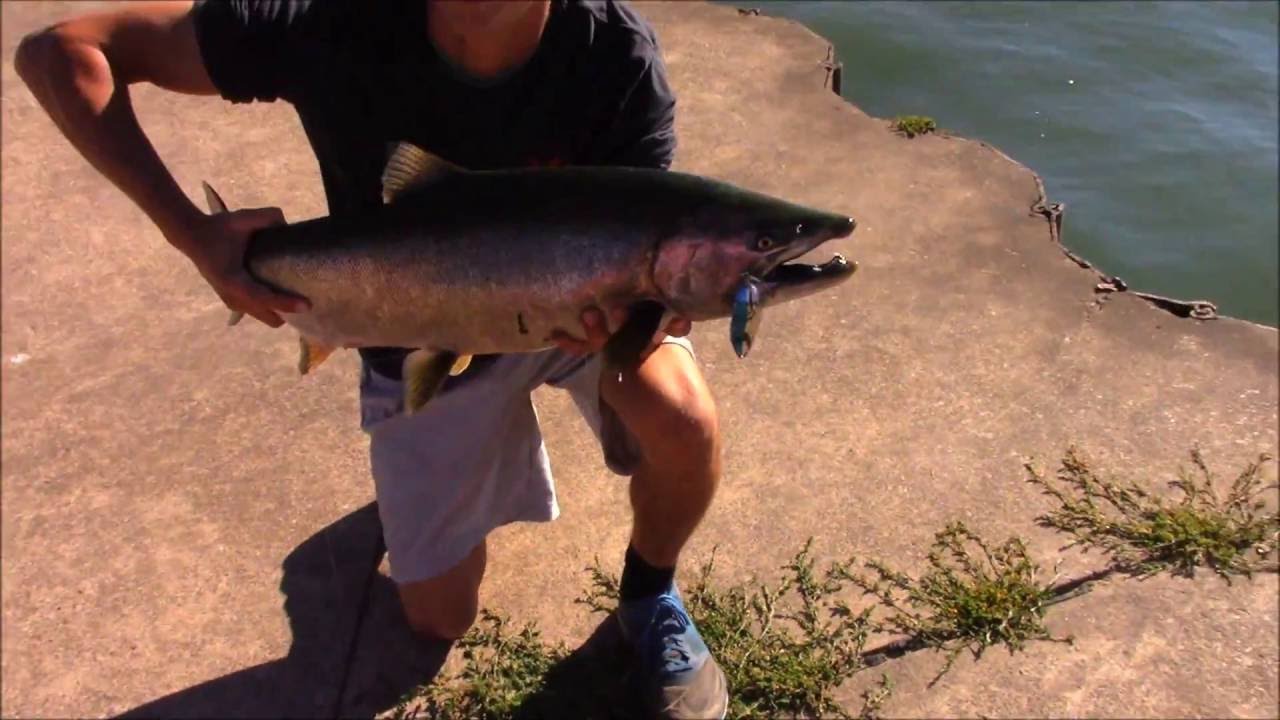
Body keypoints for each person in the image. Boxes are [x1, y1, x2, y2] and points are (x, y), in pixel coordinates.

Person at [15, 0, 729, 716]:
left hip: (580, 318)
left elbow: (651, 234)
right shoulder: (323, 19)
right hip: (417, 331)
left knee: (685, 421)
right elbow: (60, 53)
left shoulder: (616, 56)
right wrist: (191, 233)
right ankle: (411, 488)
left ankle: (649, 593)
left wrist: (652, 309)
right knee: (439, 619)